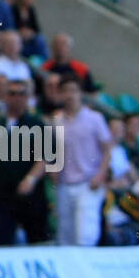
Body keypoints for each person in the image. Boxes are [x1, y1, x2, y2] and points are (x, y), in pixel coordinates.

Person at [0, 80, 50, 246]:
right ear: (5, 96)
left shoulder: (37, 123)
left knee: (37, 240)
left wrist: (31, 179)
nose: (17, 98)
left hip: (30, 195)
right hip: (1, 193)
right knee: (0, 240)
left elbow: (45, 157)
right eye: (12, 93)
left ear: (28, 97)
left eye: (21, 94)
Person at [52, 75, 112, 246]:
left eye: (73, 90)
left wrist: (100, 174)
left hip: (88, 183)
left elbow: (107, 149)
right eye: (65, 91)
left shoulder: (95, 118)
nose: (70, 95)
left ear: (80, 93)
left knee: (85, 235)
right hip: (64, 184)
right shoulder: (56, 121)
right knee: (65, 236)